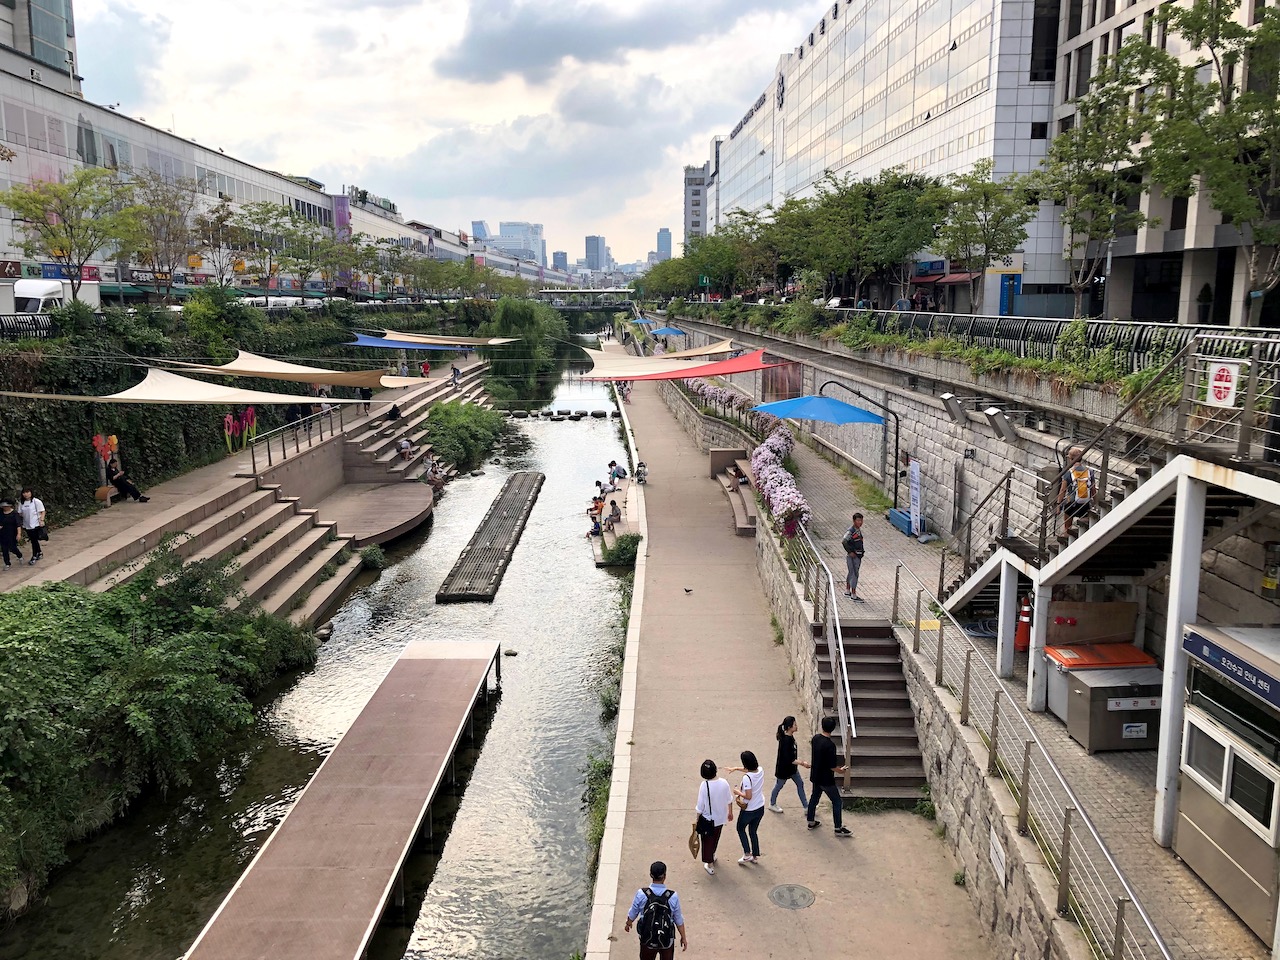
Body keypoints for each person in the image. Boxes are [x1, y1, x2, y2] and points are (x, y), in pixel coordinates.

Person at [623, 860, 687, 958]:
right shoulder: (673, 896)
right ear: (665, 876)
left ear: (651, 875)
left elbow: (633, 912)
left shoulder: (642, 894)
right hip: (666, 940)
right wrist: (683, 937)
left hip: (647, 938)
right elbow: (678, 919)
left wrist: (628, 923)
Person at [806, 716, 852, 837]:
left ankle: (811, 821)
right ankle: (838, 828)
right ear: (833, 729)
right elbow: (832, 766)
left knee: (814, 798)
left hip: (816, 775)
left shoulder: (816, 738)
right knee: (837, 801)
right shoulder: (830, 745)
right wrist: (841, 771)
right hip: (826, 779)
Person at [693, 758, 734, 875]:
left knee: (707, 842)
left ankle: (709, 864)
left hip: (708, 820)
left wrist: (697, 819)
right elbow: (729, 800)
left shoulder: (704, 785)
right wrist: (730, 813)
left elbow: (700, 806)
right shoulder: (724, 783)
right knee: (716, 838)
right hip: (720, 818)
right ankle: (713, 854)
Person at [727, 750, 766, 864]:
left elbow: (748, 796)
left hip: (749, 810)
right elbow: (749, 770)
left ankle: (747, 854)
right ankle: (755, 855)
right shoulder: (760, 770)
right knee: (753, 831)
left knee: (740, 828)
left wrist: (737, 792)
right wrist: (736, 768)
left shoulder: (747, 778)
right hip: (760, 807)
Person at [769, 715, 810, 813]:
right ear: (789, 727)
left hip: (792, 769)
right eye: (794, 724)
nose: (796, 726)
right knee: (779, 785)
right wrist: (803, 763)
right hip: (784, 769)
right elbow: (790, 759)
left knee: (800, 783)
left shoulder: (789, 737)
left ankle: (806, 807)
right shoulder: (786, 741)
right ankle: (772, 804)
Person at [1057, 446, 1094, 538]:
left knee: (1067, 526)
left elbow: (1063, 490)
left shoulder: (1068, 473)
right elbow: (1093, 489)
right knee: (1085, 526)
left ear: (1071, 459)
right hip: (1085, 503)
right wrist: (1095, 503)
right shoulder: (1089, 471)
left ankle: (1067, 537)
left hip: (1072, 503)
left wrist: (1058, 505)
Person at [841, 512, 865, 602]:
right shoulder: (851, 531)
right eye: (858, 520)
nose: (860, 522)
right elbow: (844, 541)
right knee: (855, 574)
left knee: (851, 573)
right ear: (854, 521)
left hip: (857, 555)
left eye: (861, 520)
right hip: (854, 556)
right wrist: (850, 552)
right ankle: (853, 594)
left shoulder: (857, 530)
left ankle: (847, 591)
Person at [17, 487, 45, 565]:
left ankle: (34, 556)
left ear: (31, 493)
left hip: (35, 524)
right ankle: (39, 552)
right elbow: (20, 513)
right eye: (24, 492)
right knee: (33, 540)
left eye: (27, 492)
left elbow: (42, 511)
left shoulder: (36, 501)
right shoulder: (21, 503)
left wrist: (41, 520)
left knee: (33, 540)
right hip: (26, 524)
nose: (26, 494)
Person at [0, 501, 21, 568]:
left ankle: (19, 555)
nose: (5, 508)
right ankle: (7, 563)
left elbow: (18, 524)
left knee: (12, 547)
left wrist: (19, 534)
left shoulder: (14, 513)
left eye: (6, 506)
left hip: (12, 533)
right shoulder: (1, 513)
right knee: (4, 549)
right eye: (3, 507)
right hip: (2, 534)